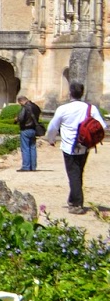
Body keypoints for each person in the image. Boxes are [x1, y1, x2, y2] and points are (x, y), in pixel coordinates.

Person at [44, 80, 105, 214]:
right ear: (82, 93)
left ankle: (76, 204)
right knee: (78, 173)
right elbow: (103, 125)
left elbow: (53, 127)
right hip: (84, 146)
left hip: (69, 146)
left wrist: (51, 139)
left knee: (73, 174)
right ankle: (73, 200)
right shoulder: (90, 108)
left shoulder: (63, 109)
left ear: (70, 93)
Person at [15, 96, 41, 172]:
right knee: (33, 148)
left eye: (20, 103)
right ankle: (33, 167)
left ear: (21, 101)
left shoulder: (25, 107)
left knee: (25, 148)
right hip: (33, 129)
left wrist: (17, 119)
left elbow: (21, 118)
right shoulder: (36, 106)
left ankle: (26, 166)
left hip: (25, 129)